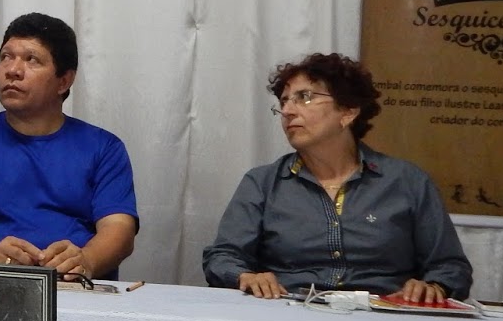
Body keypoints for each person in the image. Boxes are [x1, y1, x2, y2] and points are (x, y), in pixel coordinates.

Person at [202, 53, 472, 301]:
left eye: (304, 97)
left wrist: (435, 286)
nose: (288, 111)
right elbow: (223, 256)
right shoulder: (262, 183)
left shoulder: (407, 181)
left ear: (348, 111)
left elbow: (450, 266)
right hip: (289, 309)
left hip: (385, 314)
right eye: (284, 102)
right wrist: (245, 275)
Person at [0, 13, 137, 278]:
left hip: (71, 286)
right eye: (6, 57)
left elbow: (119, 228)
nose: (13, 70)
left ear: (64, 81)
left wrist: (86, 260)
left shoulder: (104, 148)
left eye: (32, 60)